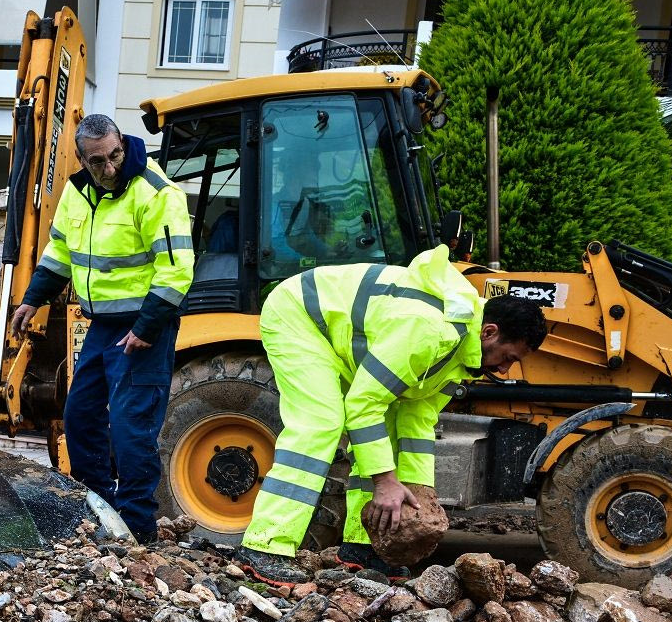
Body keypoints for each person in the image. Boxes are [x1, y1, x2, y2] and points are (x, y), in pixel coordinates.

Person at [235, 245, 548, 584]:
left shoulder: (460, 357)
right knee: (322, 422)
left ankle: (361, 545)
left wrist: (420, 493)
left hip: (338, 334)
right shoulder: (430, 333)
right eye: (508, 356)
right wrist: (385, 482)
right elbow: (363, 402)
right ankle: (265, 545)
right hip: (301, 317)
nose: (505, 369)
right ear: (490, 332)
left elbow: (417, 416)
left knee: (382, 435)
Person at [11, 113, 195, 543]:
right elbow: (59, 253)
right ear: (81, 159)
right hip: (102, 327)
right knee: (79, 417)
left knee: (132, 430)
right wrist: (33, 298)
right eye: (97, 162)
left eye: (114, 156)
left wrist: (147, 327)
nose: (109, 168)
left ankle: (136, 529)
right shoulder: (77, 193)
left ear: (122, 144)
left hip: (145, 327)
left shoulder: (156, 192)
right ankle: (99, 508)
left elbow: (177, 271)